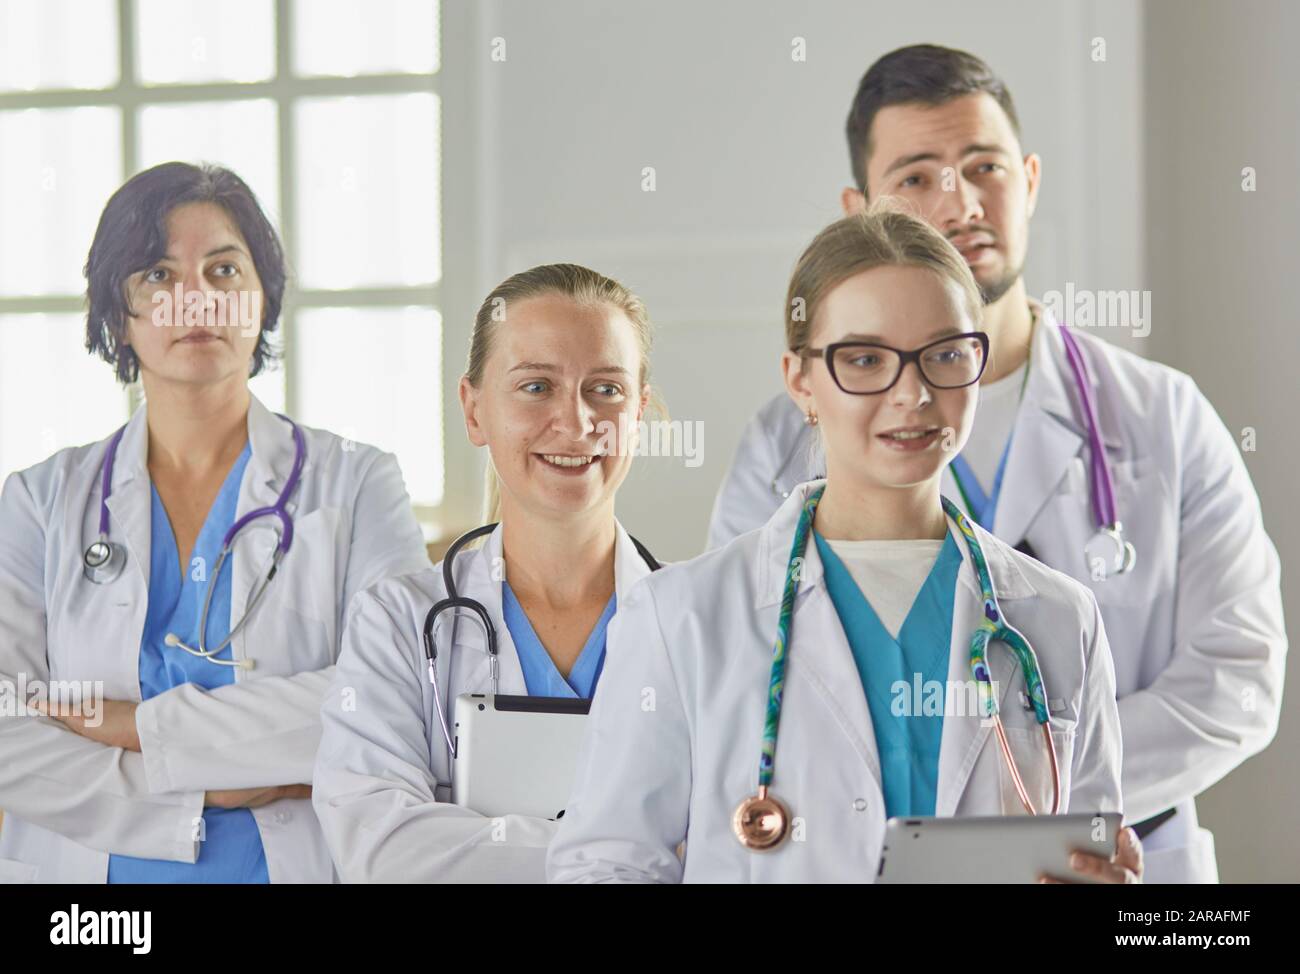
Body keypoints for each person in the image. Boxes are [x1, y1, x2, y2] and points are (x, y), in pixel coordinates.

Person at [705, 44, 1285, 882]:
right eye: (917, 177)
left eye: (986, 167)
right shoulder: (784, 440)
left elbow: (1236, 680)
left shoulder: (1163, 415)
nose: (962, 202)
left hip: (1112, 860)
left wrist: (1041, 795)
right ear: (861, 208)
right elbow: (747, 667)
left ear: (1032, 179)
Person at [548, 207, 1142, 884]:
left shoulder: (1059, 618)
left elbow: (1086, 856)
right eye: (865, 359)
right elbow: (605, 866)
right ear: (801, 380)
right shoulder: (681, 615)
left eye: (946, 354)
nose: (913, 394)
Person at [0, 162, 429, 884]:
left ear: (263, 301)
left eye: (224, 271)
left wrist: (137, 728)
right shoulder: (40, 500)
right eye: (158, 276)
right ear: (118, 316)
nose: (193, 301)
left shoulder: (357, 483)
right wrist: (198, 796)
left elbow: (390, 695)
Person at [313, 263, 663, 882]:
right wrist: (623, 852)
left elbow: (733, 845)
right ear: (474, 411)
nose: (576, 422)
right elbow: (382, 849)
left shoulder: (697, 623)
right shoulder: (395, 622)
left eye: (606, 389)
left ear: (639, 413)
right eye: (536, 387)